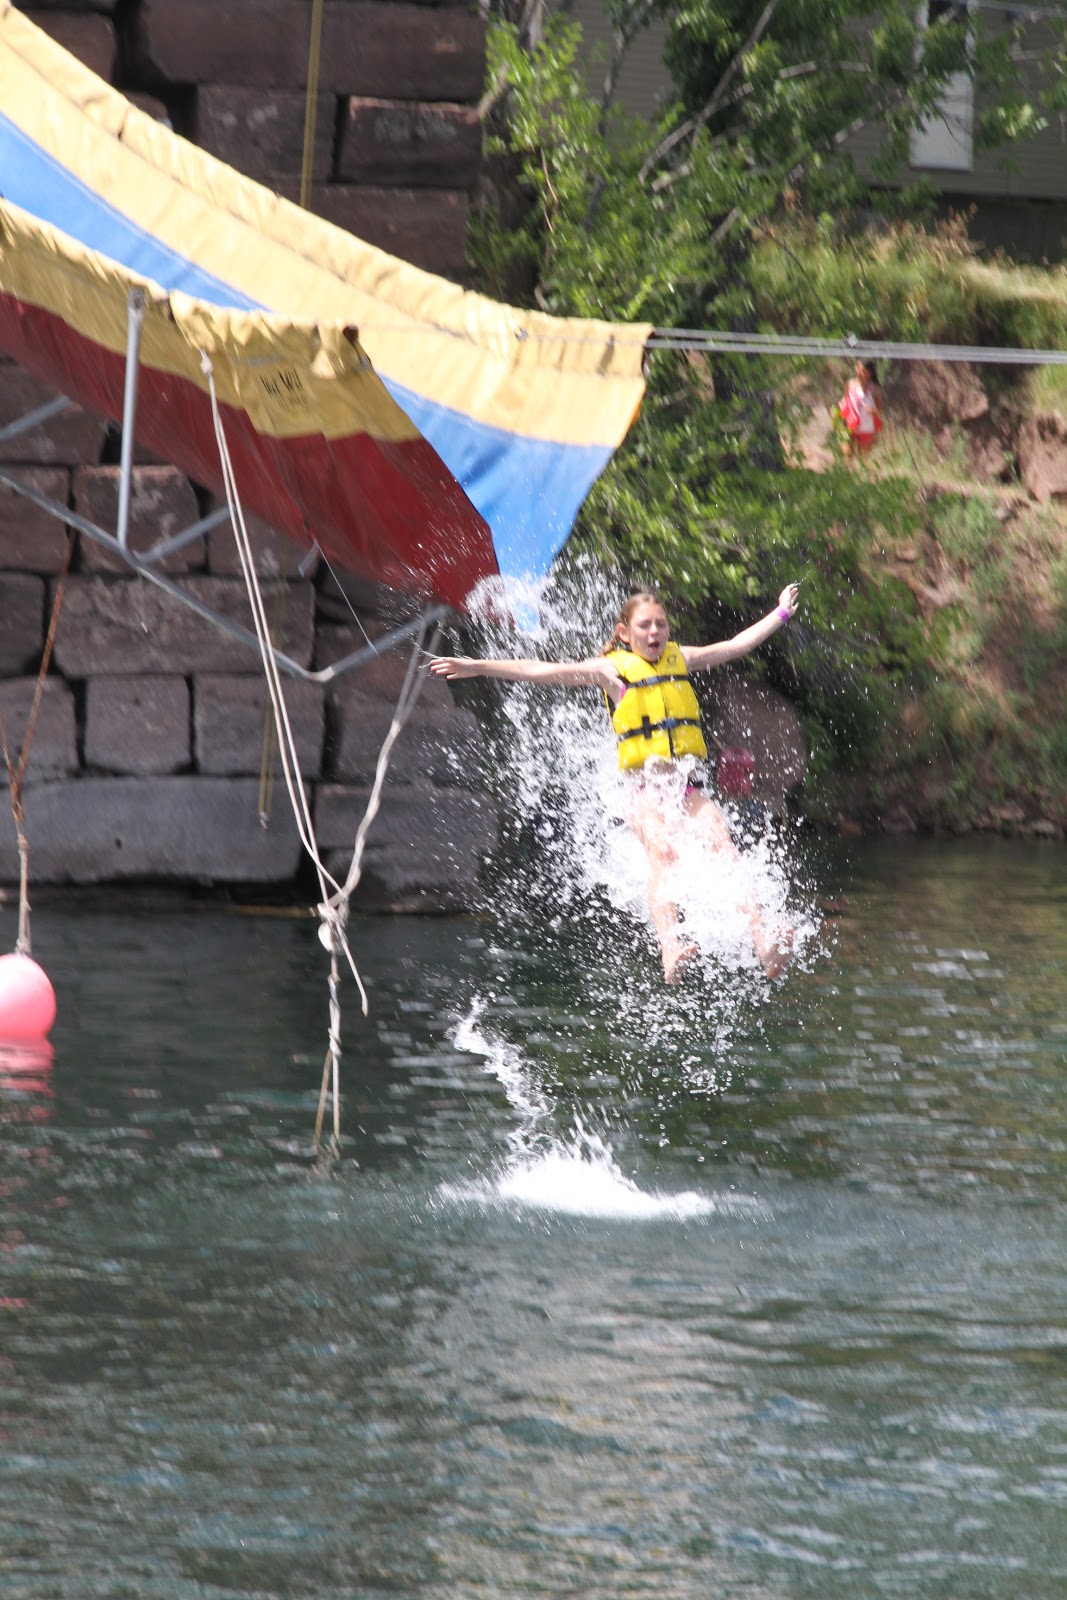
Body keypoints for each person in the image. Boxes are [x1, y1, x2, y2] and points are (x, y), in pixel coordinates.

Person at [429, 582, 800, 984]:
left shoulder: (682, 658)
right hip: (643, 792)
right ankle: (670, 948)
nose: (654, 632)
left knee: (724, 846)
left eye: (660, 624)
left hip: (686, 787)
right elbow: (540, 670)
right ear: (625, 632)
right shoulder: (609, 670)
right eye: (644, 625)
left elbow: (735, 645)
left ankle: (763, 941)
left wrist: (779, 612)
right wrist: (475, 666)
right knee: (663, 851)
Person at [836, 359, 883, 457]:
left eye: (861, 370)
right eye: (857, 368)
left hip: (866, 427)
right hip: (850, 425)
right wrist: (841, 406)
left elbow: (880, 410)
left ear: (869, 373)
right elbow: (845, 400)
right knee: (847, 454)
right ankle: (846, 471)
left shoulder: (875, 389)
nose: (858, 372)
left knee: (864, 458)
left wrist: (872, 410)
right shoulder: (850, 384)